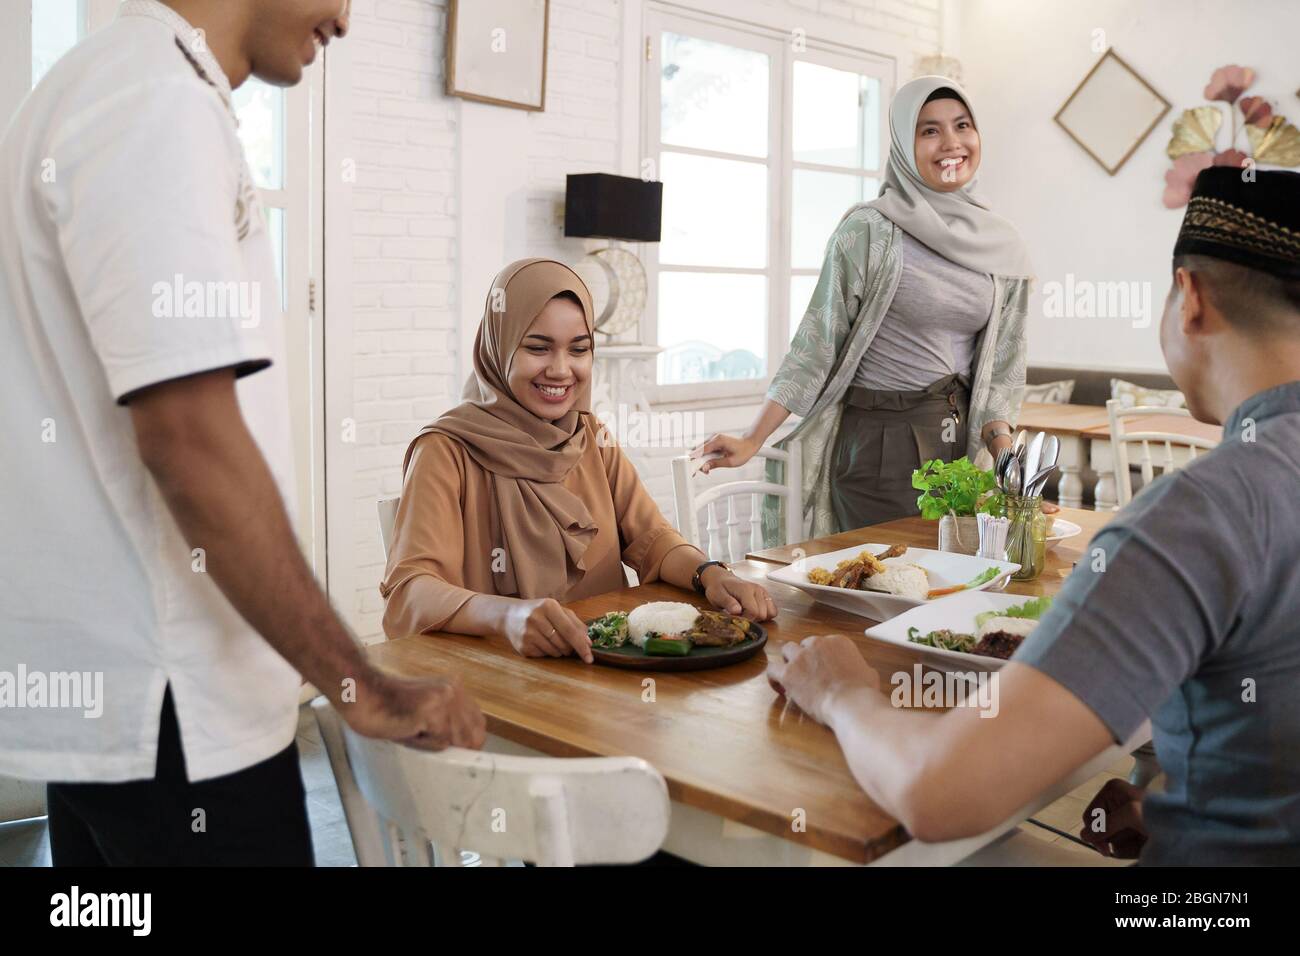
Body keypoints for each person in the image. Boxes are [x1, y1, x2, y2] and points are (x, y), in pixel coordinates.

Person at [0, 0, 484, 867]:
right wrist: (360, 684)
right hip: (179, 715)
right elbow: (191, 444)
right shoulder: (155, 102)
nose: (345, 18)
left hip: (113, 713)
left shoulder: (90, 85)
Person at [767, 167, 1300, 864]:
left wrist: (841, 693)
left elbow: (938, 794)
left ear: (1190, 300)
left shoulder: (1199, 512)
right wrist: (1161, 799)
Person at [381, 258, 778, 659]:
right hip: (500, 679)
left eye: (579, 349)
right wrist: (508, 616)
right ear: (498, 348)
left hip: (603, 667)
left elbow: (652, 539)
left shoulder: (590, 434)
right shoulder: (445, 449)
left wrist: (708, 574)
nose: (560, 369)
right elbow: (411, 589)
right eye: (537, 348)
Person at [695, 76, 1037, 538]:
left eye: (962, 126)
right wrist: (754, 437)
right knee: (888, 590)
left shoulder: (1002, 245)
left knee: (950, 591)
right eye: (929, 130)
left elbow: (1001, 371)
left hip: (960, 450)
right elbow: (816, 343)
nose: (951, 143)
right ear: (902, 142)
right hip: (880, 447)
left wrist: (1010, 468)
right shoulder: (870, 230)